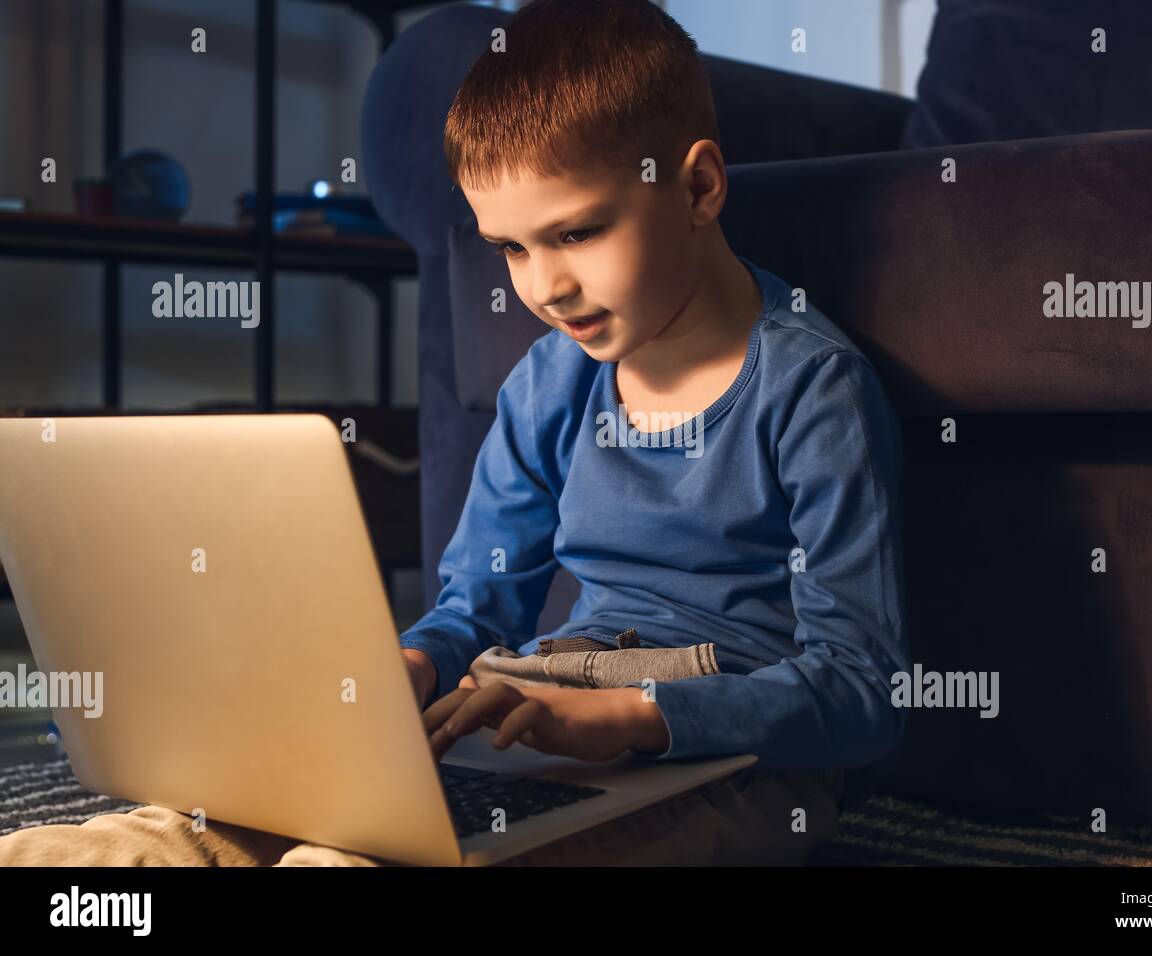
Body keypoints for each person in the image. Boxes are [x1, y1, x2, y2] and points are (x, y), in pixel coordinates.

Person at [0, 0, 907, 867]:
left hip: (739, 764)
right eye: (511, 248)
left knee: (416, 854)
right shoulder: (552, 380)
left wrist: (639, 716)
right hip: (544, 697)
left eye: (578, 232)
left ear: (699, 185)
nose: (544, 287)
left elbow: (865, 691)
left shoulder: (811, 389)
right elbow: (477, 610)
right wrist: (411, 669)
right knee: (255, 817)